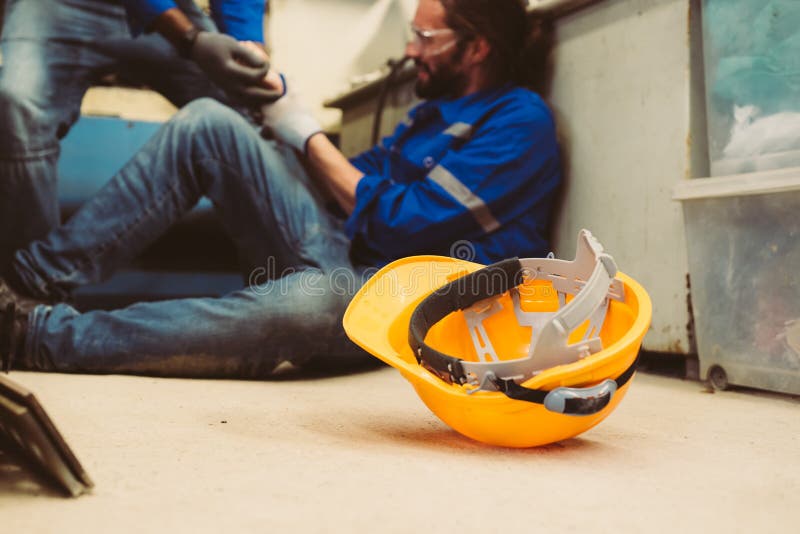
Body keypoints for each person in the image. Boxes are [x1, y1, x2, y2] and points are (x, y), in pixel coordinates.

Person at [0, 0, 561, 378]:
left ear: (477, 47)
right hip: (350, 255)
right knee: (210, 123)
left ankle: (36, 338)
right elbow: (354, 179)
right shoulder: (432, 114)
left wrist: (309, 134)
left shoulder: (519, 121)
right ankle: (24, 286)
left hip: (420, 302)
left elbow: (402, 223)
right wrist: (277, 118)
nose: (410, 50)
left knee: (309, 303)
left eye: (423, 36)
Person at [0, 0, 278, 268]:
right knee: (18, 104)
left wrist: (246, 43)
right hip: (53, 6)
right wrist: (190, 39)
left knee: (252, 111)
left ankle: (280, 291)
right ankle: (30, 297)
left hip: (172, 5)